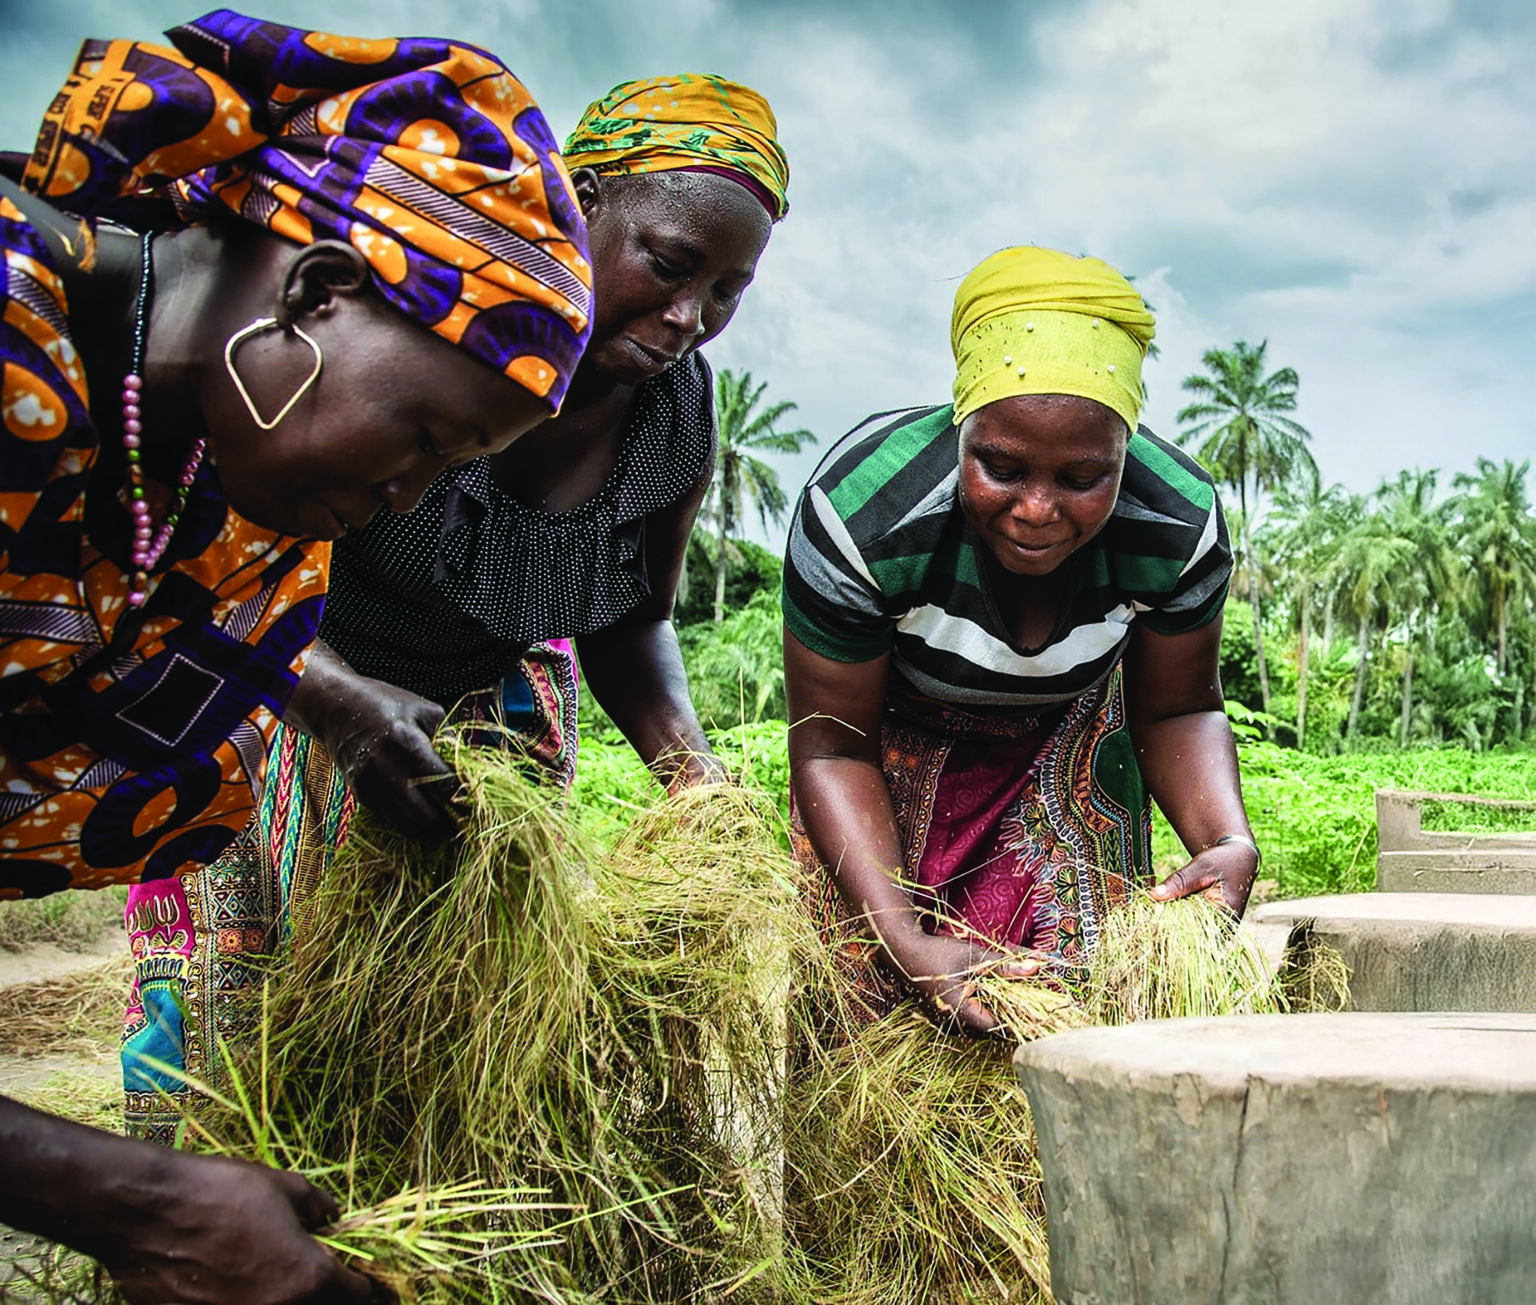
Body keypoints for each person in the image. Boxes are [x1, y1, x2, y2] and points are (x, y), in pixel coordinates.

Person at [1, 10, 592, 1300]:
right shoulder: (12, 346)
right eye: (429, 434)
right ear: (318, 290)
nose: (410, 497)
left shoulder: (225, 502)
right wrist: (140, 1198)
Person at [119, 72, 791, 1141]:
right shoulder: (438, 313)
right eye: (670, 265)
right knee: (236, 1035)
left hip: (486, 719)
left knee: (456, 1036)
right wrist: (336, 702)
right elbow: (220, 559)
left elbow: (632, 618)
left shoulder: (677, 414)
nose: (687, 317)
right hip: (287, 678)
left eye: (726, 293)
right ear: (580, 200)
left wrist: (694, 778)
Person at [782, 246, 1260, 1036]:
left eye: (1082, 479)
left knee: (1076, 1026)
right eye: (1000, 466)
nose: (1037, 509)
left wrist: (1225, 837)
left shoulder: (1175, 524)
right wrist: (901, 935)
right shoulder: (863, 513)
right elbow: (833, 749)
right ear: (960, 428)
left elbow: (1177, 709)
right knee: (862, 1036)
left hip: (1062, 749)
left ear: (1123, 455)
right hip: (881, 758)